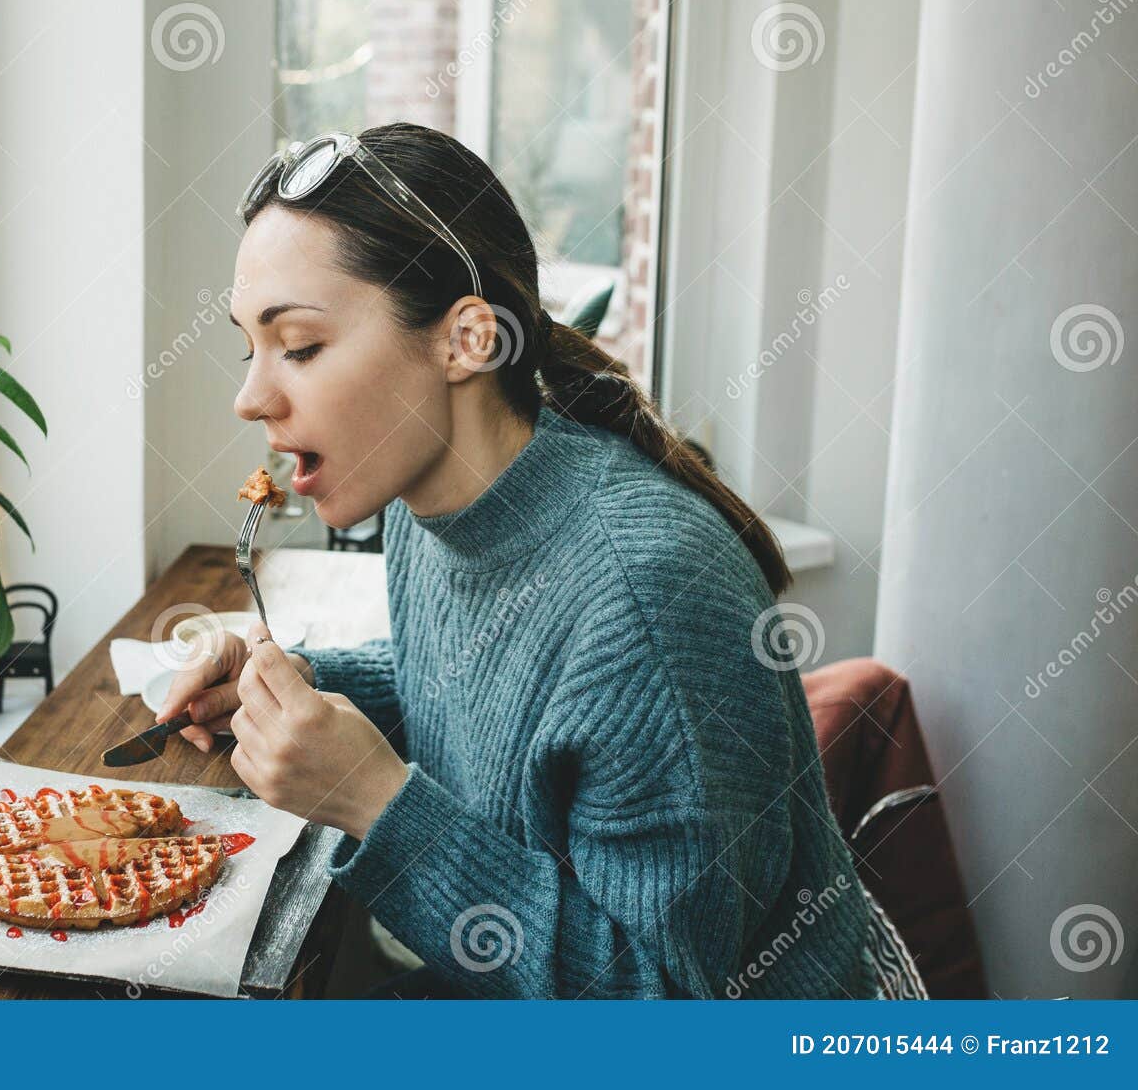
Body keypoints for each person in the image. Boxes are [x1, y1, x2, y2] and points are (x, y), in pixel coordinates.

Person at [156, 123, 875, 998]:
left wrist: (374, 803)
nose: (250, 397)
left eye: (300, 346)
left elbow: (664, 1004)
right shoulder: (433, 506)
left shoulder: (649, 594)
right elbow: (499, 692)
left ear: (465, 341)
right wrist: (300, 687)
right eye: (250, 347)